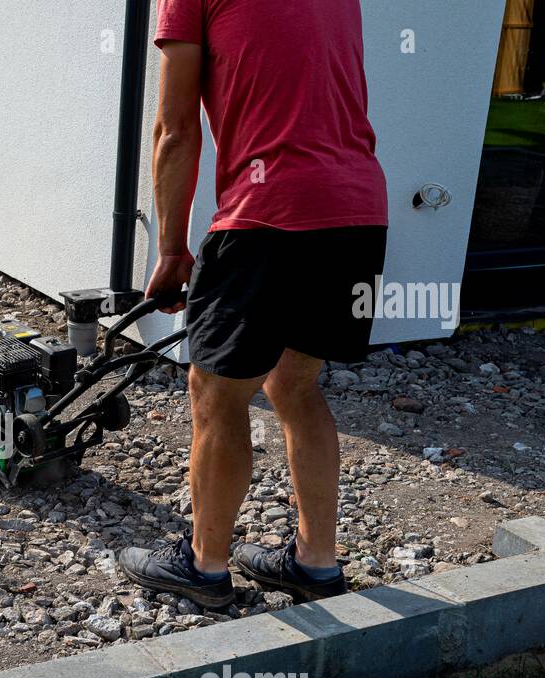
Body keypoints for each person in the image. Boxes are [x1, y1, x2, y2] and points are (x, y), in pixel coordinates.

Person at [120, 0, 389, 609]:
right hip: (356, 206)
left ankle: (204, 567)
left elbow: (176, 128)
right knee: (295, 386)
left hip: (268, 215)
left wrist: (170, 248)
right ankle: (316, 564)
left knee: (214, 392)